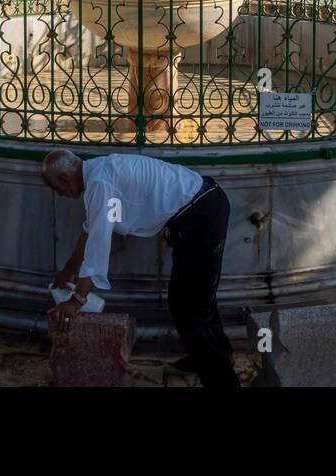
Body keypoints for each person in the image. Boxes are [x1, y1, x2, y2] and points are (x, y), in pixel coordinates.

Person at [42, 149, 239, 387]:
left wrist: (77, 300)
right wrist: (68, 272)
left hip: (200, 214)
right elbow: (90, 231)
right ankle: (217, 356)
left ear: (65, 178)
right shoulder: (99, 171)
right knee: (199, 297)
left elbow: (98, 244)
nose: (61, 195)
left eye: (56, 189)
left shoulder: (99, 182)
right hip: (204, 205)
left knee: (188, 307)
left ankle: (222, 380)